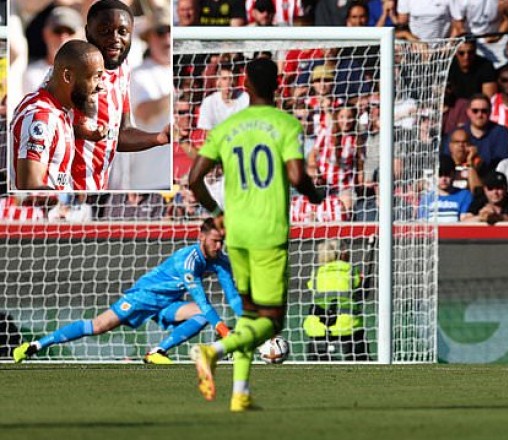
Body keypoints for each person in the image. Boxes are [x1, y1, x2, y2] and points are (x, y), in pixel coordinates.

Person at [188, 58, 324, 412]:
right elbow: (296, 176)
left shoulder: (228, 126)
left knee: (247, 315)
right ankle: (212, 351)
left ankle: (241, 395)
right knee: (272, 319)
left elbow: (193, 180)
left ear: (244, 85)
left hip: (235, 233)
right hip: (267, 232)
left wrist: (217, 215)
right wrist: (315, 194)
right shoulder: (284, 123)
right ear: (277, 85)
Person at [13, 218, 242, 366]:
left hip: (168, 303)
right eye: (215, 241)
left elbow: (231, 295)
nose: (219, 246)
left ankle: (157, 352)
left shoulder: (220, 261)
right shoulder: (188, 260)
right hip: (142, 297)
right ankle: (35, 346)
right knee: (97, 326)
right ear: (202, 237)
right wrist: (223, 330)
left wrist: (245, 323)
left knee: (200, 316)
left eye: (222, 241)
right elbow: (201, 298)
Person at [75, 0, 171, 191]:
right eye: (105, 30)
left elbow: (122, 132)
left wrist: (159, 138)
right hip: (69, 183)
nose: (114, 38)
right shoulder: (73, 68)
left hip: (105, 182)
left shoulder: (122, 69)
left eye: (122, 31)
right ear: (87, 32)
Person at [11, 40, 104, 190]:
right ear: (67, 77)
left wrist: (79, 132)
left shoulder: (57, 108)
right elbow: (30, 186)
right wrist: (65, 200)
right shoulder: (40, 117)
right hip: (43, 212)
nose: (100, 86)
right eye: (95, 77)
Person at [303, 239, 368, 361]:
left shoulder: (316, 274)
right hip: (348, 328)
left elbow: (311, 286)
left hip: (317, 328)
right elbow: (360, 288)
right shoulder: (351, 271)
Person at [417, 155, 473, 223]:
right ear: (434, 175)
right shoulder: (426, 197)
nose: (443, 179)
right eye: (440, 175)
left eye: (447, 175)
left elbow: (464, 221)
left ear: (454, 174)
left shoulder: (464, 195)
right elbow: (422, 222)